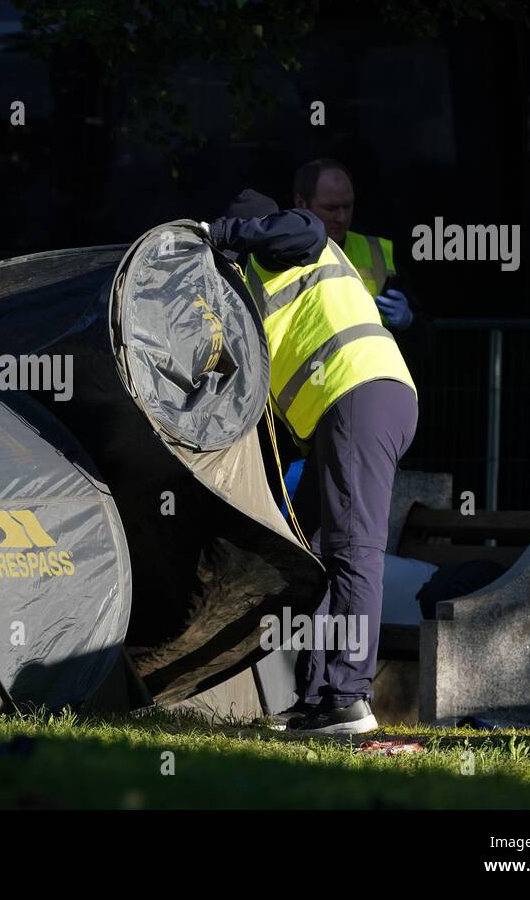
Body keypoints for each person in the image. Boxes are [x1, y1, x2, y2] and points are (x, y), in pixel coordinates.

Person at [206, 189, 419, 734]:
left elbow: (306, 227)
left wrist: (222, 236)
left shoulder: (283, 239)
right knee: (313, 555)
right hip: (350, 409)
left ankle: (348, 698)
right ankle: (318, 695)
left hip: (358, 394)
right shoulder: (266, 275)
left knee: (353, 551)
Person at [291, 158, 430, 343]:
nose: (341, 217)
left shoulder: (379, 252)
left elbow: (427, 334)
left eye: (347, 206)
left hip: (371, 367)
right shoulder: (281, 257)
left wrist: (410, 322)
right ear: (301, 203)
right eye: (330, 208)